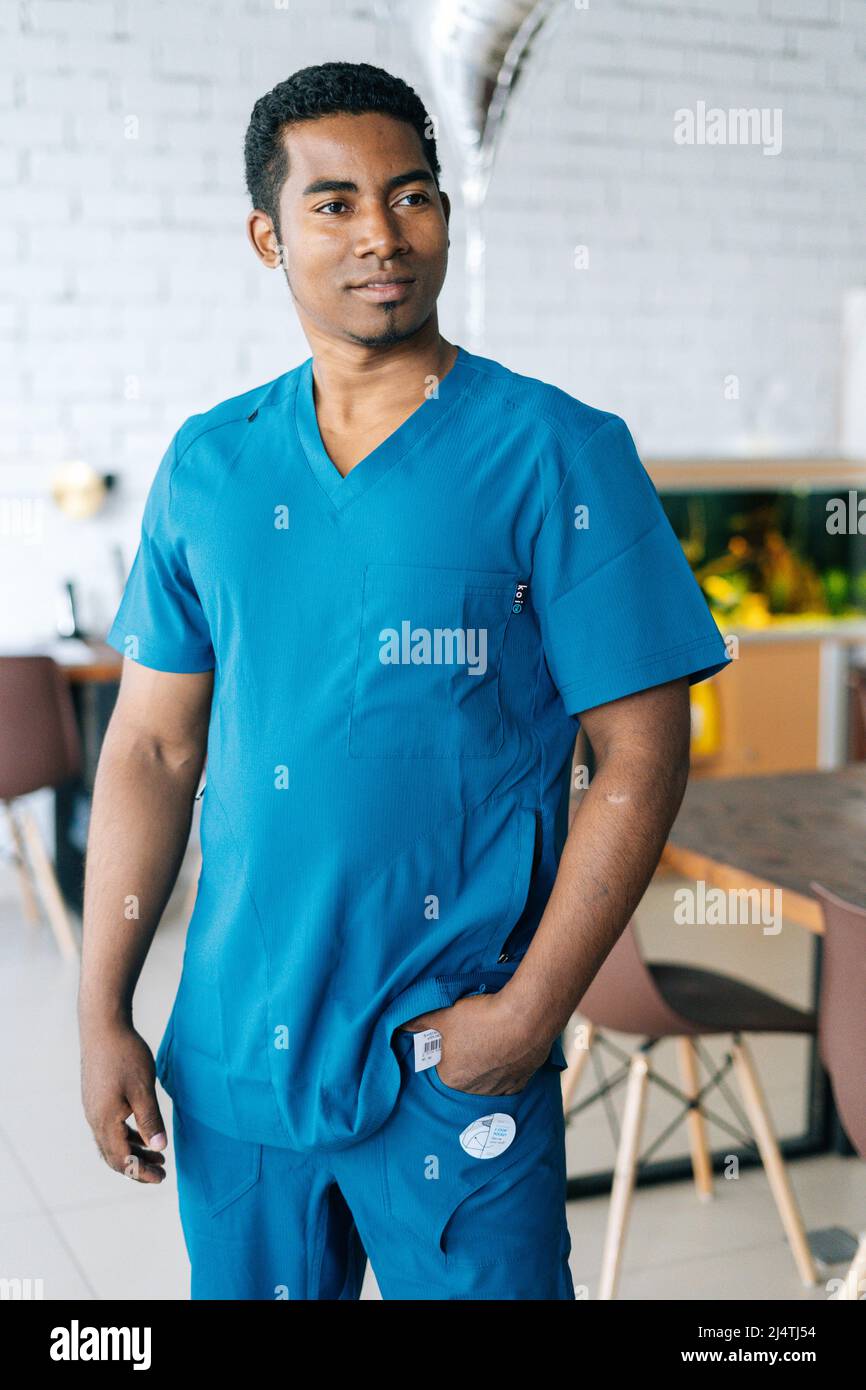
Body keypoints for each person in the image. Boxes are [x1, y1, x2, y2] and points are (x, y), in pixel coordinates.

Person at [79, 61, 731, 1301]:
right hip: (235, 1056)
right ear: (267, 237)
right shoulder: (209, 466)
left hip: (452, 1050)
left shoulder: (557, 453)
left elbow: (641, 755)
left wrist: (528, 1015)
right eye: (333, 204)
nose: (382, 233)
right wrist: (101, 1009)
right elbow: (153, 750)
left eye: (411, 194)